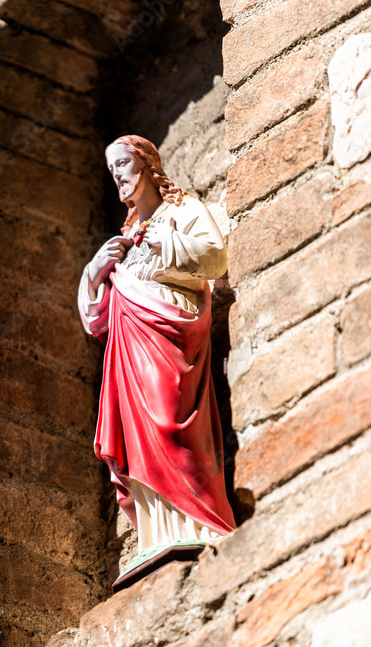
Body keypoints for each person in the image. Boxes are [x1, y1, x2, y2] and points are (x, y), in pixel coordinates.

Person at [77, 135, 235, 587]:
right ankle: (156, 531)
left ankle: (199, 522)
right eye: (112, 171)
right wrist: (95, 273)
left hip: (169, 335)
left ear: (146, 164)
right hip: (128, 345)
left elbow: (214, 258)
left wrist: (164, 240)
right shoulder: (124, 238)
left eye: (124, 164)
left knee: (169, 418)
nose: (119, 176)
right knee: (137, 433)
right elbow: (96, 320)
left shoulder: (180, 210)